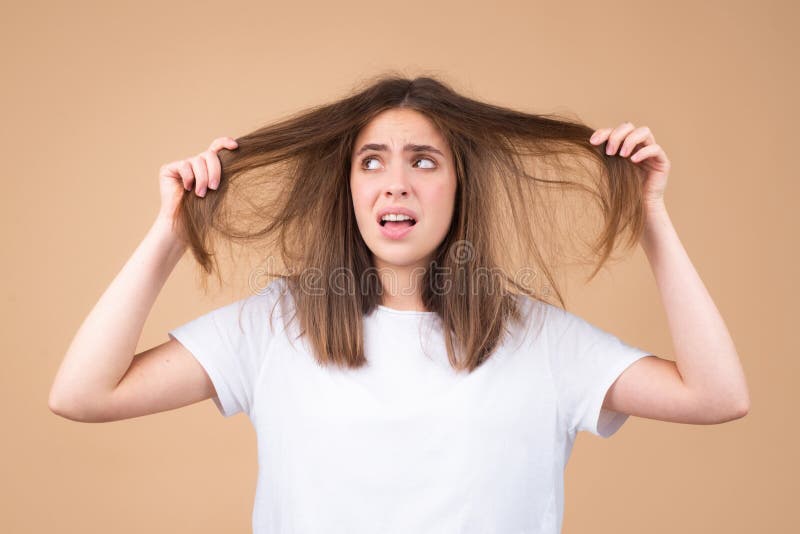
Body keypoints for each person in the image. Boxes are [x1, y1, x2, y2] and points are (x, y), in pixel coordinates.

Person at [48, 74, 750, 534]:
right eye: (372, 161)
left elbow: (717, 395)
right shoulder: (272, 325)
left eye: (424, 160)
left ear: (457, 188)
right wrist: (172, 234)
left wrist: (649, 216)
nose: (396, 185)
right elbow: (82, 393)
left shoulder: (539, 339)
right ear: (349, 188)